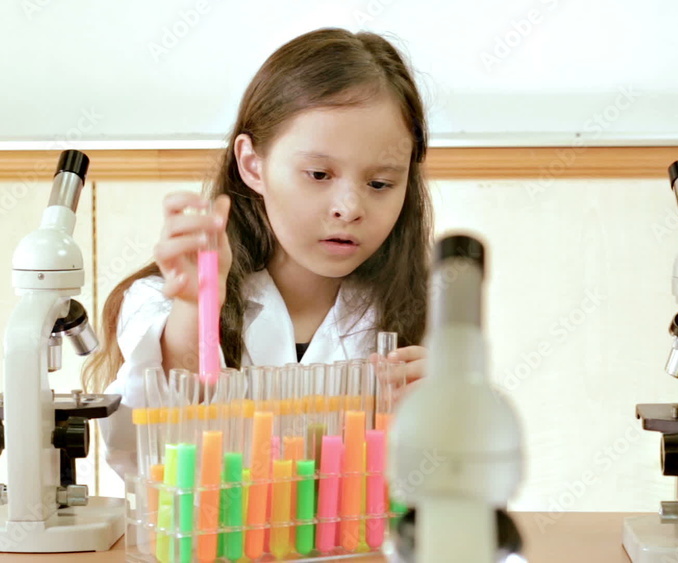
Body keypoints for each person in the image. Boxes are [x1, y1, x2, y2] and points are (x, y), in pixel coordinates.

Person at [85, 27, 434, 480]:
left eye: (380, 184)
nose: (348, 208)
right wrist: (196, 308)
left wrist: (441, 423)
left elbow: (450, 496)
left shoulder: (425, 315)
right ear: (253, 164)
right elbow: (143, 454)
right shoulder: (160, 302)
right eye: (318, 173)